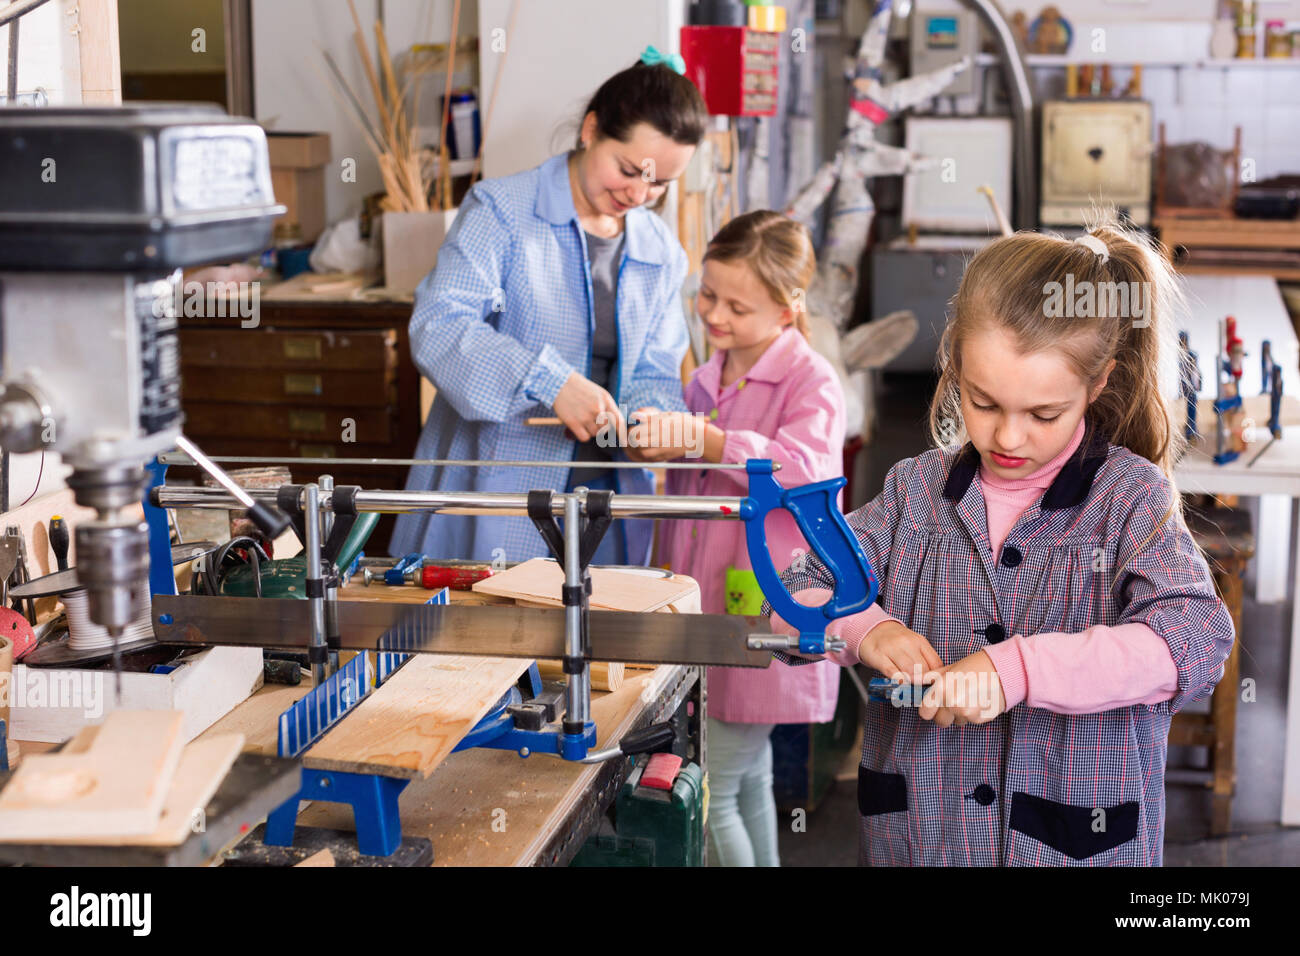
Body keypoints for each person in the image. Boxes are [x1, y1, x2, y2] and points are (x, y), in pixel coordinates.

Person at [767, 213, 1234, 866]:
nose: (1008, 438)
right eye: (983, 402)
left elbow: (1197, 641)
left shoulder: (1131, 502)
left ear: (1096, 386)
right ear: (955, 363)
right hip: (927, 841)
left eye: (1044, 414)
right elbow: (794, 590)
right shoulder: (914, 494)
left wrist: (1017, 669)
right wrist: (867, 629)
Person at [390, 52, 708, 565]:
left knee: (599, 638)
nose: (639, 193)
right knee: (485, 636)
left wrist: (654, 419)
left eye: (659, 183)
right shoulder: (502, 211)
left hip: (608, 502)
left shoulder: (660, 250)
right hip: (497, 492)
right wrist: (549, 382)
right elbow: (438, 326)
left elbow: (655, 369)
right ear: (590, 130)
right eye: (629, 170)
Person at [636, 211, 847, 866]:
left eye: (737, 306)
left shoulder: (812, 382)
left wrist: (714, 442)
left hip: (761, 602)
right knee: (748, 774)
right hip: (707, 599)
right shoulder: (707, 378)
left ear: (787, 310)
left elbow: (804, 469)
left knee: (716, 789)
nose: (714, 317)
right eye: (707, 296)